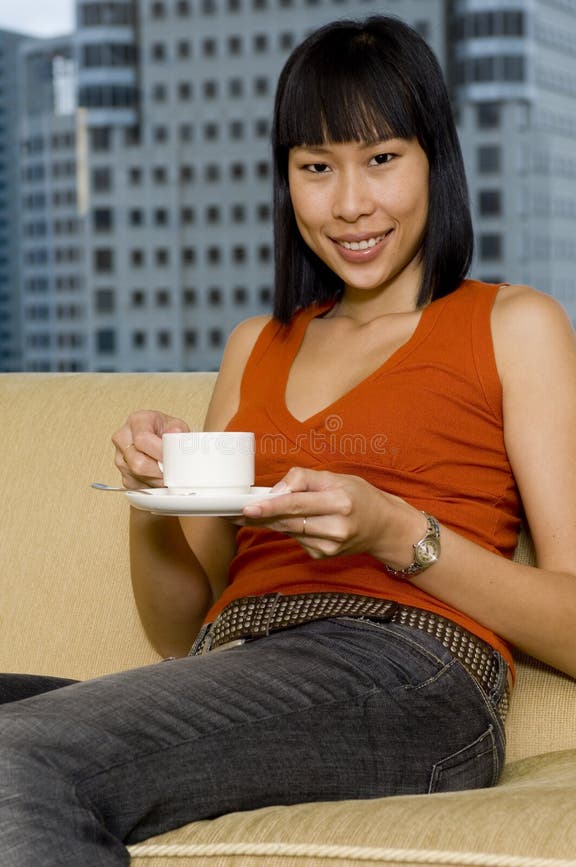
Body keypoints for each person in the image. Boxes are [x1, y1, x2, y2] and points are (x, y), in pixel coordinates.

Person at [1, 14, 575, 866]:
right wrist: (149, 496)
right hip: (238, 667)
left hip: (403, 670)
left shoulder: (511, 324)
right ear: (286, 182)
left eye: (381, 159)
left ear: (435, 162)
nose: (349, 204)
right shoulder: (256, 343)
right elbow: (179, 626)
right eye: (316, 168)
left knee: (14, 757)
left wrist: (394, 532)